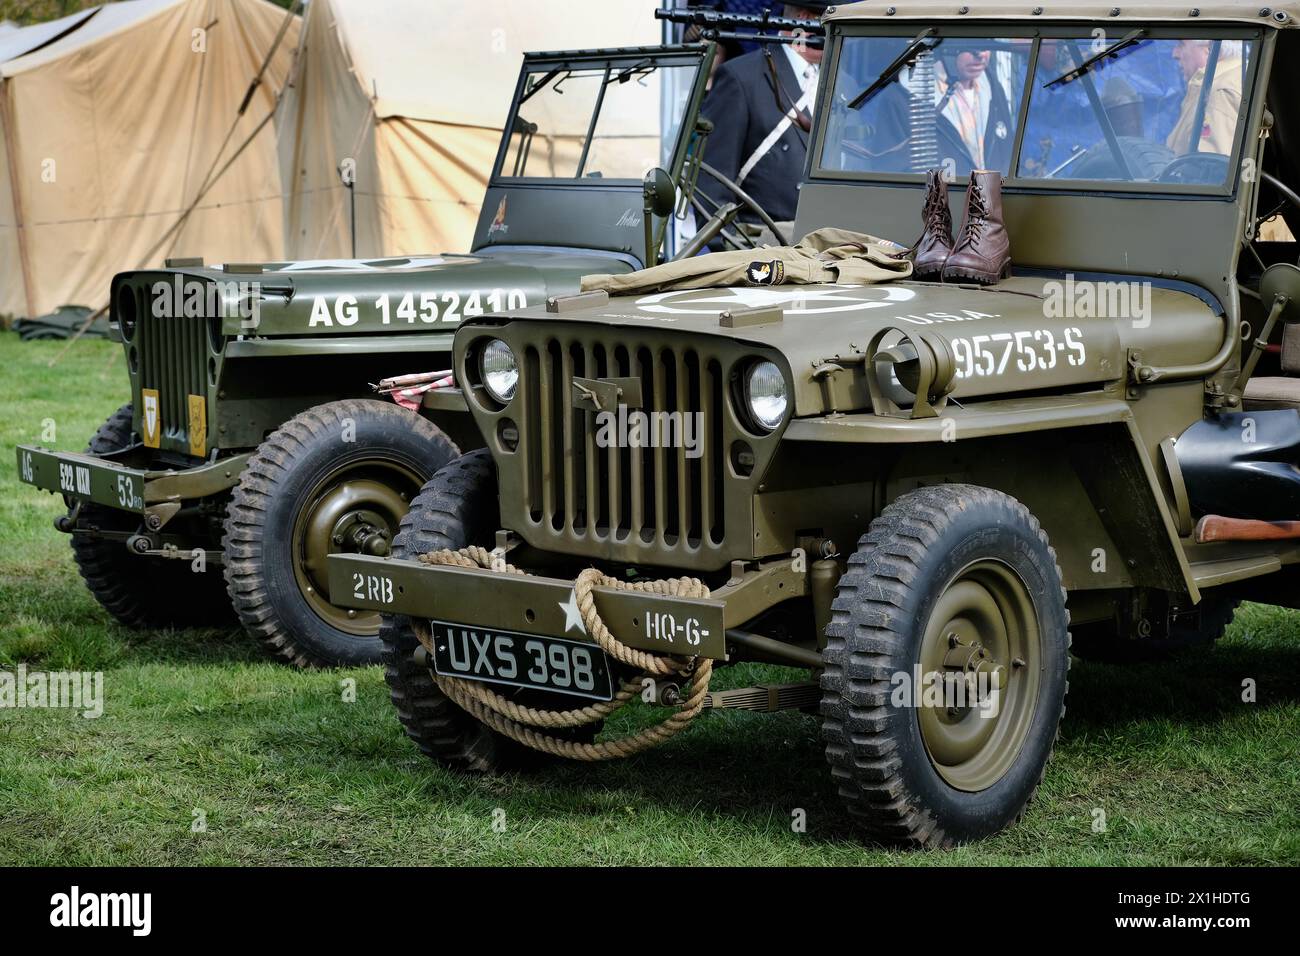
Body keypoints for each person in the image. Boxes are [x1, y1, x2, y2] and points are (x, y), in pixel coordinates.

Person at [697, 3, 829, 228]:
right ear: (805, 19)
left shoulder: (842, 81)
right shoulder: (741, 77)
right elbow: (711, 183)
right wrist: (729, 246)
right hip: (761, 247)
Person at [933, 46, 1016, 176]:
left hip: (989, 192)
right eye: (971, 45)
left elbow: (1007, 157)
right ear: (945, 46)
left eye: (987, 44)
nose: (981, 54)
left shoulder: (992, 86)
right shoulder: (911, 96)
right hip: (947, 194)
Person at [1166, 39, 1245, 156]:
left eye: (1181, 44)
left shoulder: (1218, 93)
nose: (1175, 54)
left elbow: (1212, 170)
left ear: (1209, 48)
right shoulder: (1234, 79)